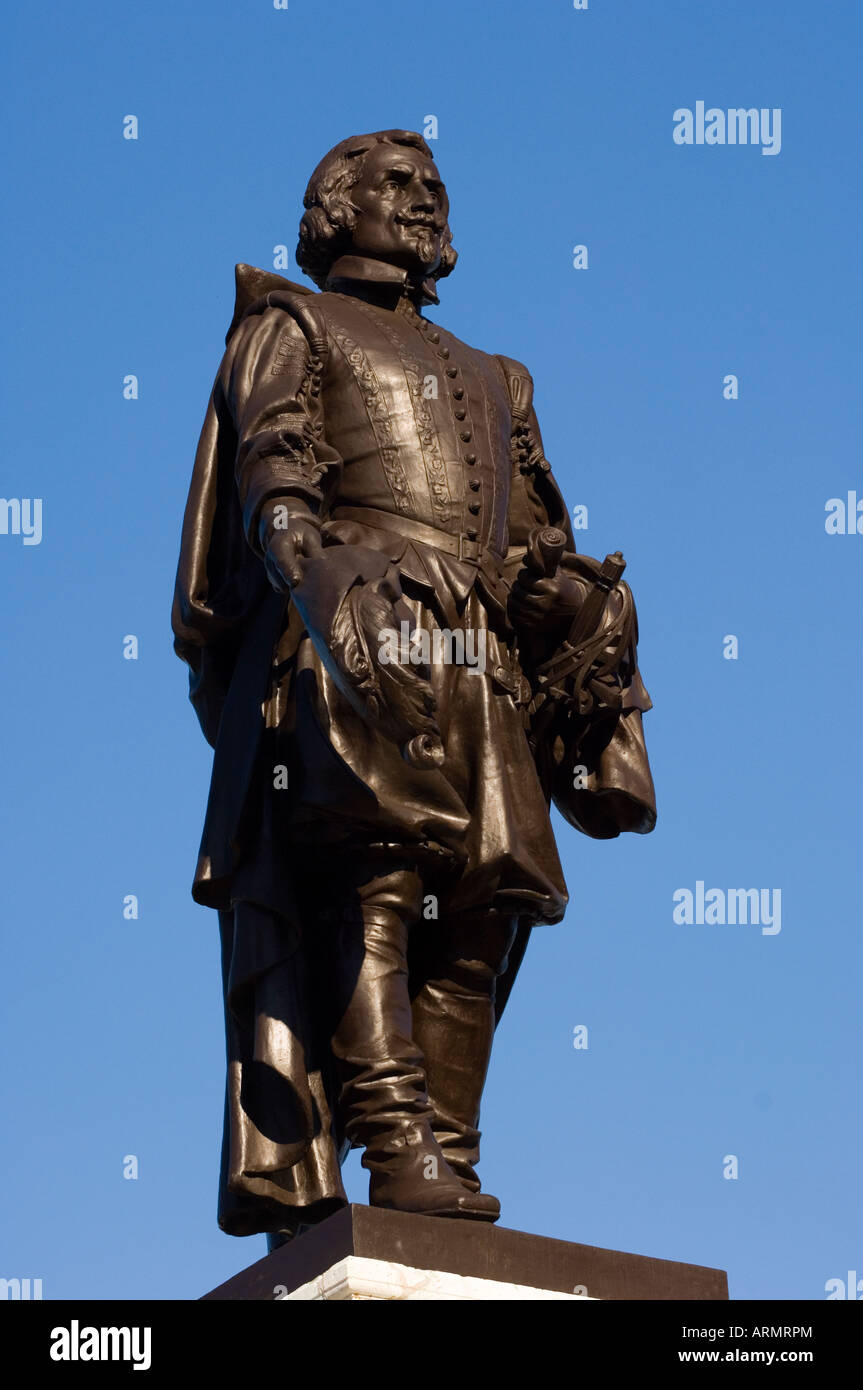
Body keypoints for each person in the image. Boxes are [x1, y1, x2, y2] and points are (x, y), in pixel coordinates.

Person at [172, 130, 656, 1242]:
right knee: (373, 890)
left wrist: (574, 607)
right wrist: (316, 577)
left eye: (436, 187)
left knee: (483, 908)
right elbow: (274, 481)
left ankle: (446, 1144)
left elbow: (534, 535)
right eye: (401, 186)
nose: (428, 202)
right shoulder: (287, 324)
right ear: (335, 209)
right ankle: (395, 1141)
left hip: (476, 664)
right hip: (356, 642)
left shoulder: (497, 375)